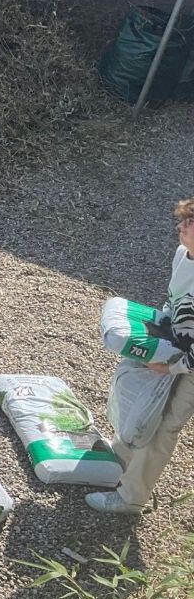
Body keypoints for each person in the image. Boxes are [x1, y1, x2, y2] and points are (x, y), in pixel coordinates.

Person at [88, 198, 194, 515]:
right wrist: (154, 336)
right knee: (142, 403)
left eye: (190, 222)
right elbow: (174, 303)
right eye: (184, 219)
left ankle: (132, 497)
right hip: (175, 345)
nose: (181, 226)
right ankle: (121, 457)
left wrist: (172, 365)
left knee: (164, 426)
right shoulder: (183, 255)